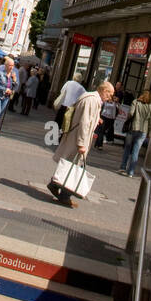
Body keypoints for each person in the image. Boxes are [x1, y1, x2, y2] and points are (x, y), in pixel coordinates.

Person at [48, 81, 114, 209]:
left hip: (74, 136)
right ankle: (64, 195)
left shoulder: (90, 98)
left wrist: (96, 119)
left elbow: (86, 117)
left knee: (70, 165)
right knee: (74, 167)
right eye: (110, 94)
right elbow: (84, 122)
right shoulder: (92, 100)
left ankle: (56, 186)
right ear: (104, 91)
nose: (110, 98)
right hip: (77, 138)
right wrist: (81, 143)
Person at [118, 89, 151, 176]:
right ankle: (131, 172)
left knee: (127, 148)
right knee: (136, 151)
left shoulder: (136, 102)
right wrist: (149, 132)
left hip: (133, 128)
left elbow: (131, 113)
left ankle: (123, 167)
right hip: (143, 131)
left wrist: (128, 119)